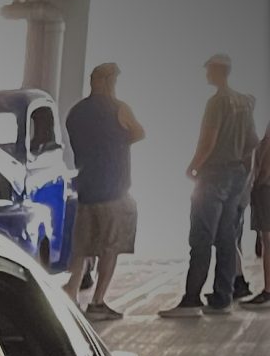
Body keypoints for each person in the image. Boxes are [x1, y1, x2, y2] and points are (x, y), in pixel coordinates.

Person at [162, 53, 259, 317]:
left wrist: (193, 166)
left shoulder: (217, 102)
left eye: (208, 70)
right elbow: (252, 143)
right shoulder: (244, 102)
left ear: (217, 71)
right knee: (228, 237)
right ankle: (222, 298)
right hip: (236, 174)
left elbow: (209, 141)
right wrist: (245, 176)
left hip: (213, 175)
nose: (206, 74)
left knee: (202, 237)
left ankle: (191, 300)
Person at [63, 63, 145, 321]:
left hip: (86, 189)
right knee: (110, 247)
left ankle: (70, 298)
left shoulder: (75, 113)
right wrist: (119, 142)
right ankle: (97, 302)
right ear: (108, 81)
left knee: (82, 249)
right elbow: (139, 133)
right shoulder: (118, 108)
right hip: (114, 190)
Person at [246, 125, 270, 309]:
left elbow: (266, 158)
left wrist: (257, 182)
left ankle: (268, 290)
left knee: (267, 240)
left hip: (266, 188)